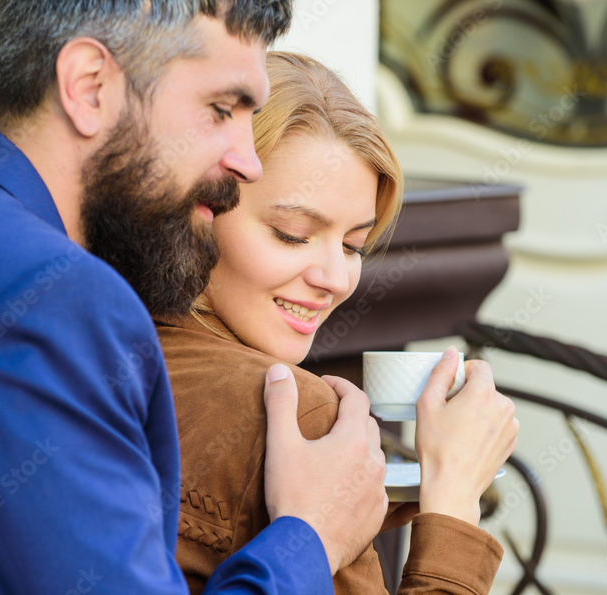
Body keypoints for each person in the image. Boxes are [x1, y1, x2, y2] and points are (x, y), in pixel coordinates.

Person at [0, 3, 390, 593]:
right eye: (222, 109)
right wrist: (310, 535)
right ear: (89, 88)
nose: (248, 160)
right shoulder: (42, 298)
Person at [157, 52, 519, 593]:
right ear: (198, 215)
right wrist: (455, 507)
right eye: (292, 234)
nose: (336, 279)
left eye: (354, 245)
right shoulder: (293, 414)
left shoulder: (93, 344)